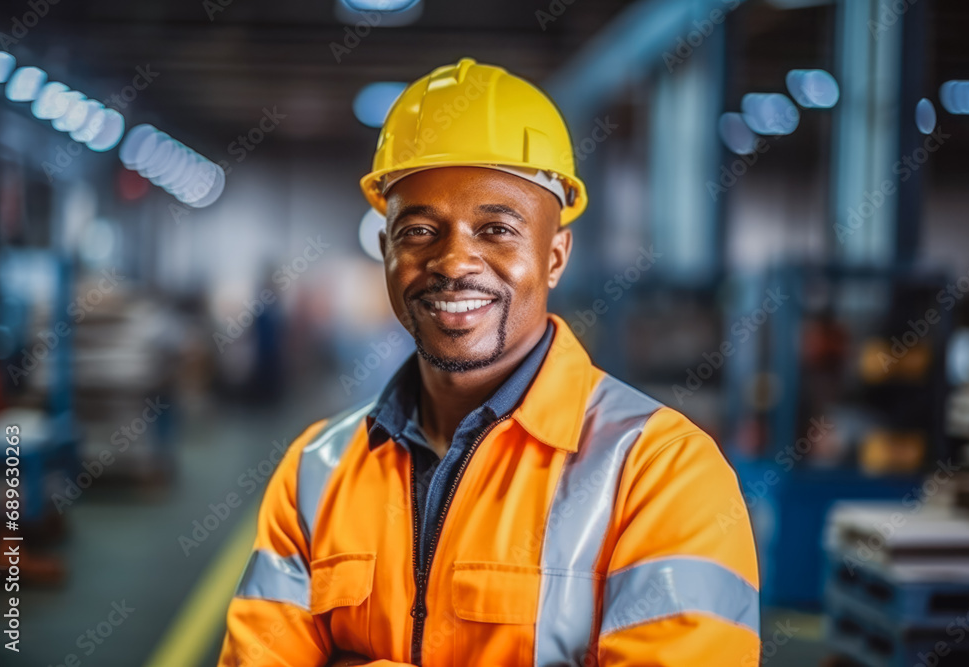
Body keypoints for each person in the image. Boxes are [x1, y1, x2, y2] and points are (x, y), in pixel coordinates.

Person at [217, 57, 760, 667]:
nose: (453, 262)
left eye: (496, 229)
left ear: (554, 257)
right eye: (420, 231)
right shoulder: (314, 471)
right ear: (385, 250)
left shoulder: (662, 473)